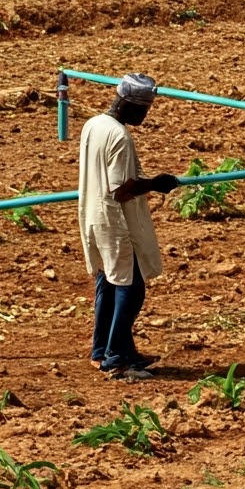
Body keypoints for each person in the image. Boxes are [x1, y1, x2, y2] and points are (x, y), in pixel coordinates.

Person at [76, 73, 178, 379]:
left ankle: (102, 350)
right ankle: (116, 358)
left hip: (93, 215)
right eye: (144, 110)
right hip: (114, 220)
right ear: (131, 105)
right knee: (130, 290)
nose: (145, 117)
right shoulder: (119, 135)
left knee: (107, 284)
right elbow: (120, 189)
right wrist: (156, 184)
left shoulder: (93, 124)